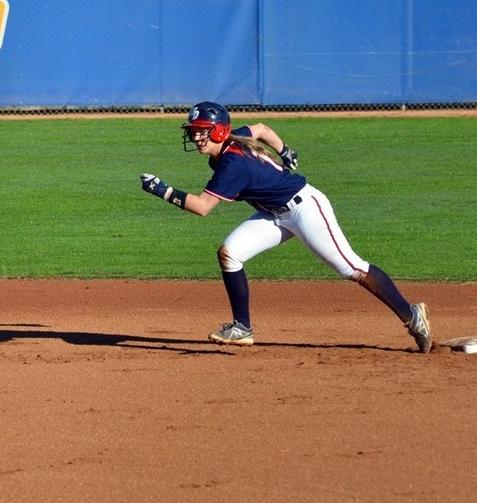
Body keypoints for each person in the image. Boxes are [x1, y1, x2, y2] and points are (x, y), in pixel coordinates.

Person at [139, 101, 432, 353]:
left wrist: (162, 190)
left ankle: (411, 315)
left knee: (352, 267)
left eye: (201, 129)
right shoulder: (234, 139)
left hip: (305, 209)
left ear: (217, 130)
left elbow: (202, 207)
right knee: (229, 253)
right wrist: (285, 150)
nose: (195, 135)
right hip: (274, 214)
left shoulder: (232, 164)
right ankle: (242, 328)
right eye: (194, 130)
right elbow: (262, 129)